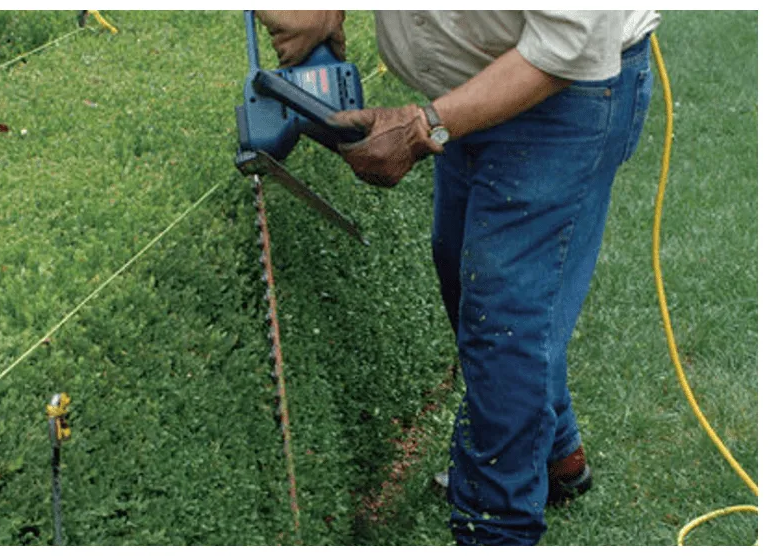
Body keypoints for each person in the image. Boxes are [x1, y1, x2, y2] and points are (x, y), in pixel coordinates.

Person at [256, 10, 661, 546]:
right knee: (472, 287)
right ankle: (558, 456)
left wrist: (424, 125)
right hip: (467, 90)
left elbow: (571, 41)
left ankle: (495, 527)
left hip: (565, 95)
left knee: (505, 320)